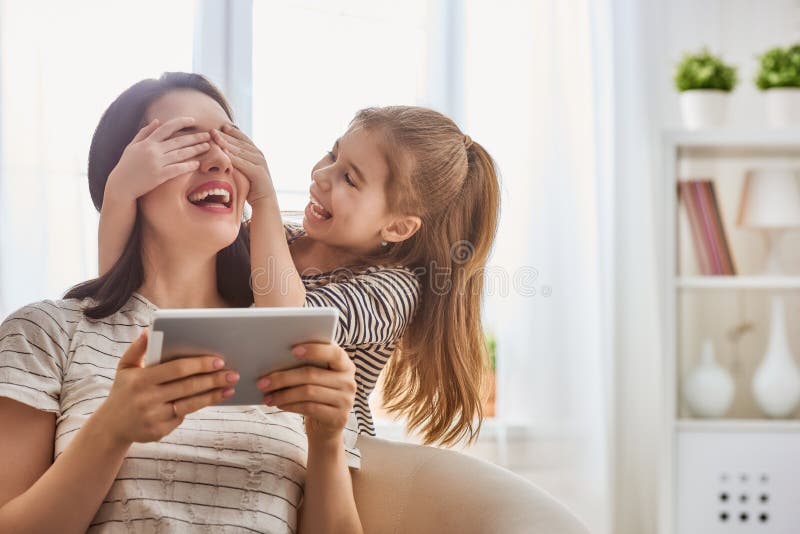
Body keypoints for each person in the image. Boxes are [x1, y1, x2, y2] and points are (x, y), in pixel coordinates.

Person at [0, 72, 361, 533]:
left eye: (229, 142)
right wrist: (111, 431)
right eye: (184, 142)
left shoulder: (302, 352)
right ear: (125, 174)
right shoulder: (45, 333)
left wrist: (327, 440)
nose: (218, 160)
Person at [102, 95, 501, 447]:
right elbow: (130, 294)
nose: (321, 176)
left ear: (397, 227)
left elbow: (287, 323)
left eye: (349, 178)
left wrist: (263, 197)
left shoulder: (392, 289)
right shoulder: (280, 241)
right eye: (332, 154)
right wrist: (121, 189)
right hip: (244, 440)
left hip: (324, 465)